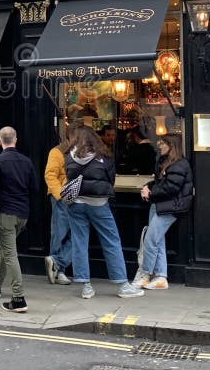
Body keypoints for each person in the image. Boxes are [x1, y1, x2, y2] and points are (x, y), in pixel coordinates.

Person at [66, 126, 144, 299]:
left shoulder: (69, 156)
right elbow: (111, 179)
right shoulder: (104, 157)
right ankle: (123, 285)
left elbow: (67, 176)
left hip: (76, 203)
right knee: (111, 241)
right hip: (98, 203)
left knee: (79, 242)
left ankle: (86, 287)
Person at [0, 127, 38, 313]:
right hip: (23, 214)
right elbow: (35, 188)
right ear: (16, 139)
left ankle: (18, 298)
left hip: (5, 213)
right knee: (5, 249)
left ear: (0, 141)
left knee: (9, 254)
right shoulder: (27, 161)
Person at [132, 135, 194, 290]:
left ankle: (145, 274)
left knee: (150, 241)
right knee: (157, 241)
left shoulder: (179, 164)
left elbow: (171, 188)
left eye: (164, 143)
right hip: (161, 205)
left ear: (172, 146)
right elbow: (161, 183)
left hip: (169, 207)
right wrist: (148, 186)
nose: (159, 145)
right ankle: (160, 277)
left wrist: (151, 193)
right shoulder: (168, 162)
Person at [43, 126, 74, 286]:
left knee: (74, 234)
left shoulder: (81, 151)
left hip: (76, 198)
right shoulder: (57, 152)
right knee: (60, 234)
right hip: (62, 198)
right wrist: (60, 195)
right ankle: (59, 270)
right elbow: (50, 175)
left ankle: (56, 263)